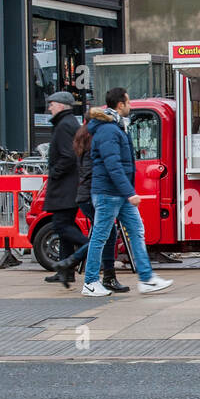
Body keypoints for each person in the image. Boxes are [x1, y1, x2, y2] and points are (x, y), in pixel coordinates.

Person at [80, 87, 172, 297]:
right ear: (120, 105)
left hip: (117, 194)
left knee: (136, 231)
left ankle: (147, 279)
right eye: (128, 103)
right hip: (109, 193)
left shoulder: (114, 127)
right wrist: (129, 192)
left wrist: (126, 192)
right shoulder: (109, 130)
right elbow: (113, 165)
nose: (130, 106)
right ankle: (91, 281)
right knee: (100, 236)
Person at [50, 118, 127, 291]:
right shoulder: (95, 142)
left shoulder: (83, 139)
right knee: (103, 235)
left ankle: (105, 274)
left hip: (86, 195)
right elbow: (100, 170)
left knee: (107, 234)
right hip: (93, 195)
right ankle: (79, 266)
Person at [43, 92, 89, 288]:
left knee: (61, 225)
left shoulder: (63, 126)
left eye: (51, 104)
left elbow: (68, 156)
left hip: (65, 186)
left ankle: (88, 245)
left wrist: (54, 173)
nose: (49, 108)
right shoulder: (70, 123)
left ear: (61, 106)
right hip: (70, 185)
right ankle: (65, 270)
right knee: (63, 227)